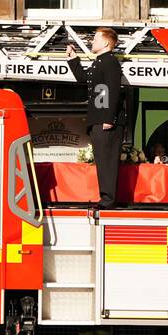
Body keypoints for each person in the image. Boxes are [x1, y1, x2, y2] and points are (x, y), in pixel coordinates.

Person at [66, 27, 127, 209]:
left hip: (105, 120)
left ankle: (108, 200)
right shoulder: (100, 62)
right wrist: (73, 58)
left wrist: (109, 118)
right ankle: (106, 198)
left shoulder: (110, 62)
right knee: (102, 160)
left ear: (106, 42)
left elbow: (113, 91)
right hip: (98, 118)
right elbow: (84, 78)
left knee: (107, 161)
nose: (92, 41)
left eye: (96, 38)